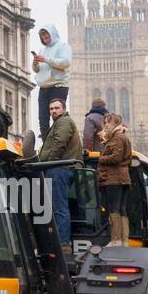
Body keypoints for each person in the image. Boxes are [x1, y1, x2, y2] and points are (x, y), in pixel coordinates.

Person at [37, 96, 82, 247]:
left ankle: (62, 243)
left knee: (59, 207)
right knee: (58, 206)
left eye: (57, 108)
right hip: (59, 167)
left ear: (63, 109)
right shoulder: (60, 122)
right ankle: (60, 241)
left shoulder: (64, 121)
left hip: (59, 168)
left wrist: (47, 164)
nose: (54, 111)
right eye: (51, 109)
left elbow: (59, 143)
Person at [96, 111, 132, 247]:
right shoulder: (119, 137)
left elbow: (116, 157)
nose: (105, 124)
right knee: (121, 208)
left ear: (115, 123)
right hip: (121, 178)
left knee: (113, 208)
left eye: (108, 122)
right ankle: (123, 240)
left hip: (114, 178)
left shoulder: (117, 138)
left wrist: (99, 158)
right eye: (104, 122)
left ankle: (116, 239)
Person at [32, 24, 71, 140]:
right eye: (42, 36)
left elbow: (65, 63)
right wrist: (35, 63)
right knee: (43, 119)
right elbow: (37, 70)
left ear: (52, 33)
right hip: (44, 88)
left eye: (46, 34)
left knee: (57, 116)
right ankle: (46, 144)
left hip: (57, 86)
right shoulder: (42, 50)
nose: (44, 37)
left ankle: (59, 141)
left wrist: (46, 60)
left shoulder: (63, 46)